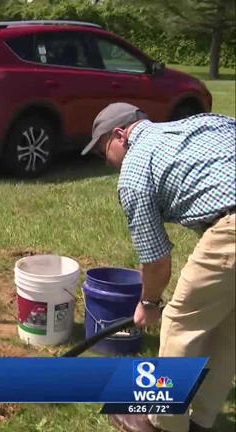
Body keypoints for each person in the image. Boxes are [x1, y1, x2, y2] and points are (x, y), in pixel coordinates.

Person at [81, 103, 235, 432]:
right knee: (228, 326)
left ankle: (159, 423)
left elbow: (156, 262)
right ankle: (200, 420)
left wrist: (149, 304)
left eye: (102, 150)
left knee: (180, 325)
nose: (104, 162)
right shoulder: (200, 124)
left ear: (121, 134)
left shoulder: (135, 172)